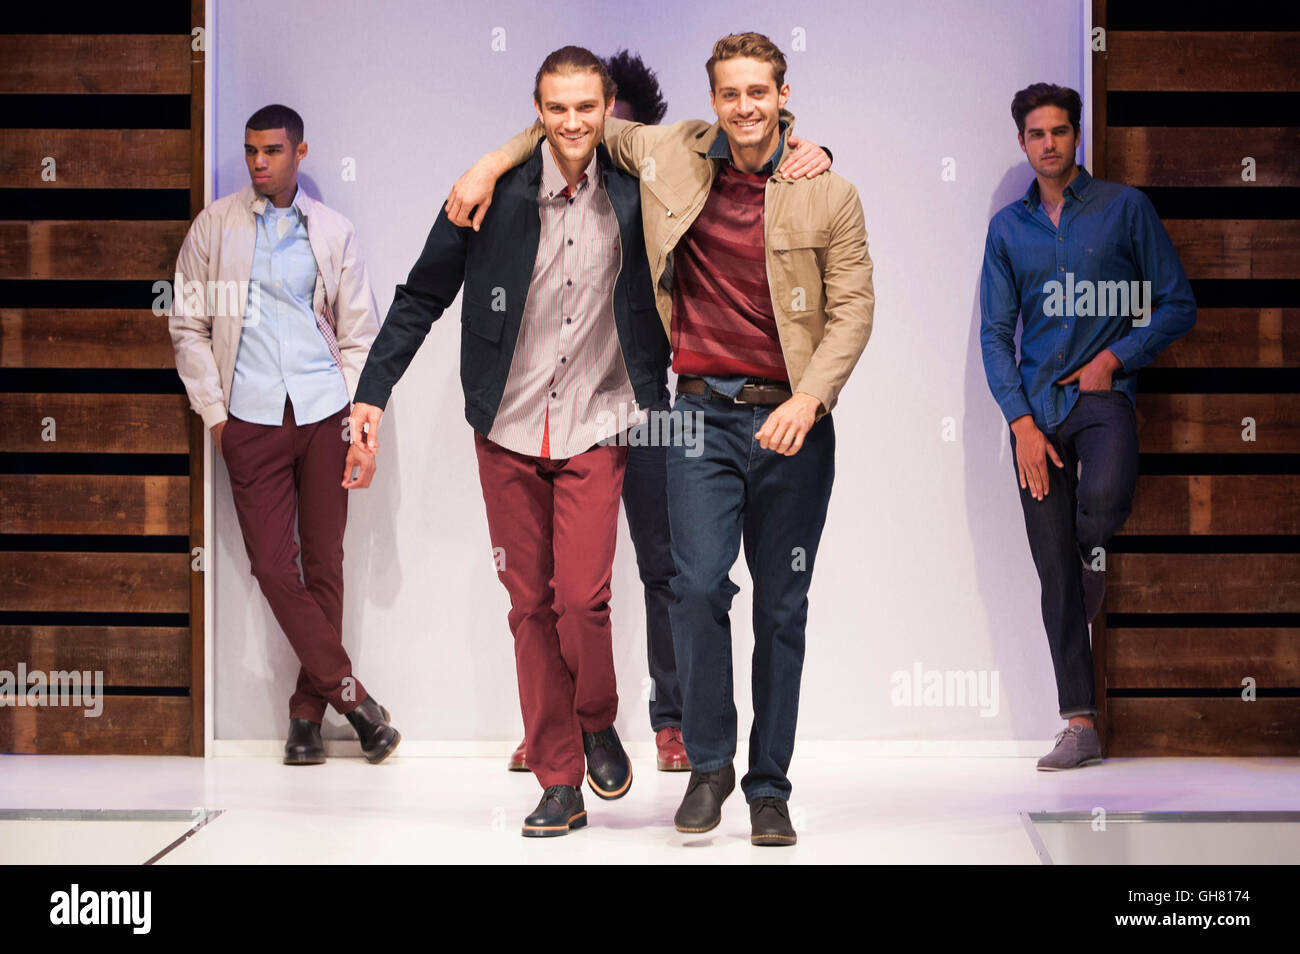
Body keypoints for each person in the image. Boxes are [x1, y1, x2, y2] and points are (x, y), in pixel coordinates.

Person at [448, 32, 871, 846]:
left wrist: (812, 397)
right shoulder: (674, 153)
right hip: (696, 412)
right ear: (712, 100)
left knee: (782, 609)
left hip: (793, 419)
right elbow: (573, 122)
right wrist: (489, 164)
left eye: (759, 92)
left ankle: (770, 787)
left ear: (784, 95)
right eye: (729, 94)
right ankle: (709, 763)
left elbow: (854, 309)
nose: (743, 107)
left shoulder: (830, 192)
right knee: (696, 585)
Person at [350, 48, 678, 837]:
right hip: (505, 428)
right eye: (556, 110)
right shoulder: (488, 196)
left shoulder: (641, 195)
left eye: (586, 109)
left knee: (580, 600)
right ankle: (559, 778)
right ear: (536, 112)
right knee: (528, 605)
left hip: (600, 419)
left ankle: (597, 715)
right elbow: (421, 295)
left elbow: (730, 148)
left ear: (607, 112)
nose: (572, 124)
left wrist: (816, 150)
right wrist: (371, 393)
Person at [169, 104, 400, 766]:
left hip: (325, 413)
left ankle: (306, 718)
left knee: (325, 564)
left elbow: (359, 333)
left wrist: (359, 423)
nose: (258, 162)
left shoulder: (331, 231)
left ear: (301, 152)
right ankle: (356, 702)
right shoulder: (215, 228)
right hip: (250, 420)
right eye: (250, 151)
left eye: (272, 151)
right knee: (274, 566)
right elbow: (187, 325)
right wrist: (215, 414)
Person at [979, 83, 1196, 770]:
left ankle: (1085, 558)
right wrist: (1019, 422)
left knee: (1103, 500)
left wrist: (1114, 357)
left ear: (1078, 138)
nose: (1049, 143)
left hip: (1100, 400)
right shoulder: (1008, 230)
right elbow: (993, 334)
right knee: (1054, 572)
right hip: (1035, 411)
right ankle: (1079, 724)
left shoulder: (1125, 209)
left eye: (1061, 131)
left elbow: (1177, 304)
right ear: (1022, 143)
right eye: (1037, 134)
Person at [507, 48, 685, 775]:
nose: (593, 141)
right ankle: (559, 728)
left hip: (643, 402)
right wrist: (492, 162)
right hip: (560, 409)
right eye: (578, 120)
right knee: (555, 587)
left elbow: (728, 146)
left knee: (664, 566)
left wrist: (811, 145)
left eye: (614, 133)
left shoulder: (661, 180)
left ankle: (670, 722)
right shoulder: (544, 177)